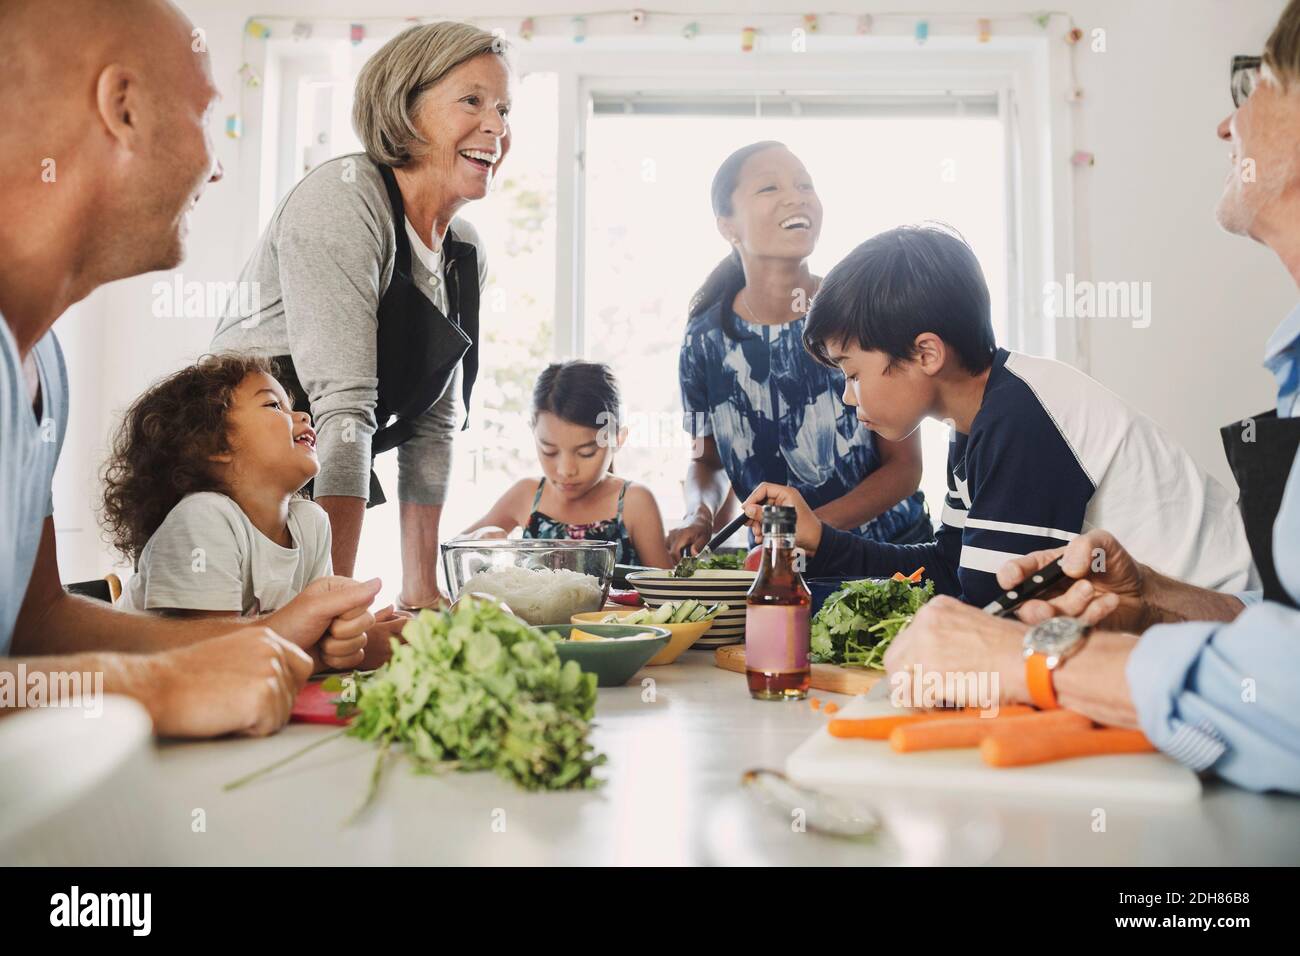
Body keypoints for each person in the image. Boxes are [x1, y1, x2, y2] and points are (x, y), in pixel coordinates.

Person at [879, 0, 1300, 794]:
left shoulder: (1017, 408)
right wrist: (1150, 601)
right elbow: (1284, 638)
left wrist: (1031, 657)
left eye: (1259, 82)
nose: (1227, 123)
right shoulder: (1294, 369)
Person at [0, 0, 380, 737]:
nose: (218, 161)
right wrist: (148, 687)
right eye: (208, 116)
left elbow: (38, 627)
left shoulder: (43, 360)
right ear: (124, 108)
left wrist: (276, 637)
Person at [742, 224, 1253, 607]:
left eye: (853, 375)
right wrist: (820, 539)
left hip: (1222, 619)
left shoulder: (1021, 418)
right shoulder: (979, 418)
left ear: (926, 354)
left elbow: (989, 602)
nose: (850, 398)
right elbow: (948, 569)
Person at [211, 21, 510, 614]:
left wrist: (420, 592)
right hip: (238, 475)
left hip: (316, 474)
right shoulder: (345, 199)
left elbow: (433, 428)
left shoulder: (464, 252)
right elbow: (343, 410)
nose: (497, 127)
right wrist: (336, 603)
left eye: (504, 108)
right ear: (405, 108)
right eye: (472, 101)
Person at [669, 142, 928, 561]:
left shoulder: (864, 313)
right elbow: (708, 460)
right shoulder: (703, 339)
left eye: (805, 184)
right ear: (727, 226)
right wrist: (697, 513)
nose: (796, 196)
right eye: (769, 187)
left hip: (888, 560)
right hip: (773, 570)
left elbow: (904, 468)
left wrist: (806, 531)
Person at [102, 354, 407, 670]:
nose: (303, 415)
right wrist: (355, 652)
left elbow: (320, 632)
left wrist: (351, 633)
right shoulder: (202, 519)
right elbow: (217, 661)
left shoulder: (312, 522)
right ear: (215, 445)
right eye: (274, 406)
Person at [459, 361, 673, 567]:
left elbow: (667, 592)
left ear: (618, 438)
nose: (566, 470)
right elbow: (452, 549)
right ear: (532, 431)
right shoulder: (525, 495)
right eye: (549, 450)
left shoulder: (634, 503)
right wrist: (478, 539)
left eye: (586, 452)